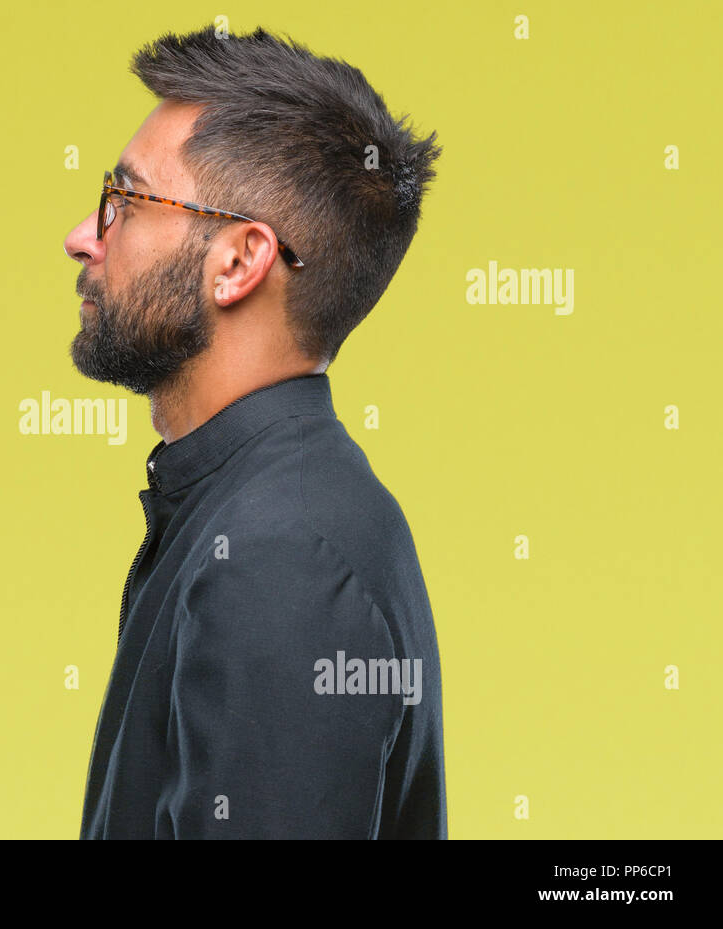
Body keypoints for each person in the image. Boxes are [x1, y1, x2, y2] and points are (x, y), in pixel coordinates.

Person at [63, 25, 447, 839]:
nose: (83, 237)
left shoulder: (280, 559)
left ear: (238, 263)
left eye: (125, 201)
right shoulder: (258, 512)